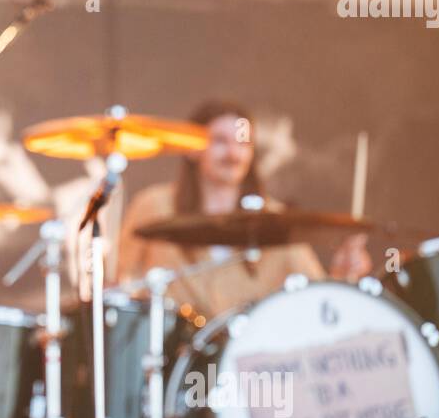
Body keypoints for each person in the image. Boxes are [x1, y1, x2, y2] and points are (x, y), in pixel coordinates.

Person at [115, 99, 370, 317]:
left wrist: (343, 274)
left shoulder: (276, 221)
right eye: (220, 141)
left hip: (252, 365)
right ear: (191, 150)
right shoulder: (154, 206)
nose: (233, 153)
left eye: (243, 143)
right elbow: (122, 286)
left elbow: (315, 295)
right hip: (174, 361)